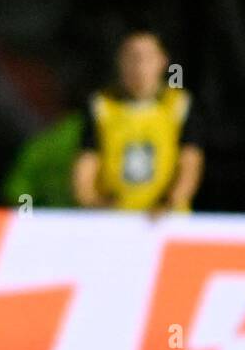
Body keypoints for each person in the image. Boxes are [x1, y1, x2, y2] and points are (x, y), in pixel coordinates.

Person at [71, 29, 204, 212]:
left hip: (165, 222)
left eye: (147, 57)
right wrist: (93, 202)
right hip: (114, 221)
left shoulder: (180, 105)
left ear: (162, 60)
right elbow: (87, 162)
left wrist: (169, 203)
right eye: (132, 57)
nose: (139, 66)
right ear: (120, 61)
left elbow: (190, 163)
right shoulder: (101, 106)